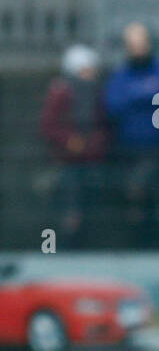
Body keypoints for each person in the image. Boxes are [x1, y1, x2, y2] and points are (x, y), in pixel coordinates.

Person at [102, 22, 159, 244]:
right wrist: (147, 93)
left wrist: (135, 96)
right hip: (128, 152)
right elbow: (113, 104)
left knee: (158, 202)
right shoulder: (120, 74)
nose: (137, 48)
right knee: (133, 202)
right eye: (132, 44)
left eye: (140, 43)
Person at [39, 44, 109, 244]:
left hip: (91, 160)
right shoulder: (60, 92)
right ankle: (66, 245)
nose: (91, 74)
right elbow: (48, 125)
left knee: (91, 208)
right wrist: (70, 141)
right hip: (67, 163)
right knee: (70, 211)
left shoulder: (95, 92)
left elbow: (103, 124)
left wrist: (94, 144)